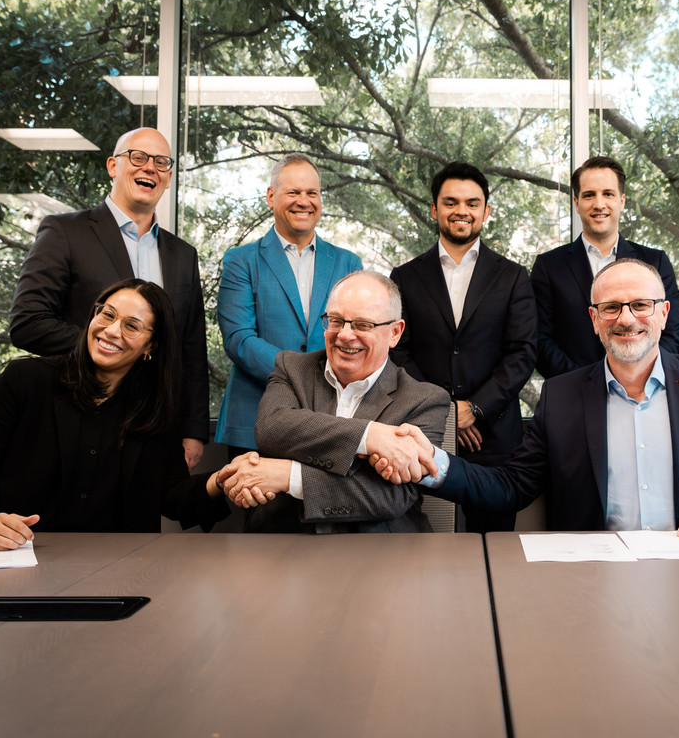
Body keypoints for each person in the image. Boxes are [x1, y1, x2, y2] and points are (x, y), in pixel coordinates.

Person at [377, 259, 679, 537]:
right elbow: (511, 486)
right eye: (611, 307)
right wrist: (434, 463)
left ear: (663, 313)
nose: (626, 319)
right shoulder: (561, 396)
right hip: (593, 575)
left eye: (641, 305)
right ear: (594, 319)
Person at [0, 280, 229, 548]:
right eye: (107, 314)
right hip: (20, 556)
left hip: (119, 567)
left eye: (131, 326)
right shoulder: (25, 380)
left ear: (151, 346)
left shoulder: (155, 407)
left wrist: (222, 480)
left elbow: (172, 497)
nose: (111, 330)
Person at [9, 127, 209, 470]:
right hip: (78, 416)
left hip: (156, 426)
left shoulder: (183, 254)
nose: (150, 167)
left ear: (168, 178)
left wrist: (193, 430)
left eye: (161, 162)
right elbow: (28, 323)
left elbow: (190, 348)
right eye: (138, 157)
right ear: (113, 166)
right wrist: (112, 347)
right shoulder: (64, 232)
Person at [217, 271, 450, 533]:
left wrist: (287, 476)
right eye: (336, 321)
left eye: (363, 325)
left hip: (380, 548)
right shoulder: (291, 367)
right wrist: (370, 436)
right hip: (283, 538)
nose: (345, 335)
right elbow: (272, 428)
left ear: (395, 333)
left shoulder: (425, 400)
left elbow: (390, 496)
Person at [389, 161, 536, 532]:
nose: (462, 210)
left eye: (472, 203)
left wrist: (475, 409)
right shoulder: (405, 276)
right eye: (451, 202)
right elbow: (398, 351)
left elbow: (522, 352)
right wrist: (448, 412)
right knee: (427, 544)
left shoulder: (513, 276)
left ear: (486, 211)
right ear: (435, 209)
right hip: (424, 432)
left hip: (494, 436)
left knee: (493, 547)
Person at [216, 153, 363, 454]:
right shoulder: (241, 261)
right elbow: (239, 340)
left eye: (312, 193)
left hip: (329, 420)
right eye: (293, 192)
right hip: (255, 418)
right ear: (271, 197)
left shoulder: (348, 263)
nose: (303, 201)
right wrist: (305, 375)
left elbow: (357, 335)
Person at [531, 156, 679, 378]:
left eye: (608, 194)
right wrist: (586, 384)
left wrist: (632, 380)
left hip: (643, 391)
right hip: (574, 391)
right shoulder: (549, 267)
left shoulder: (655, 262)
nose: (599, 204)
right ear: (576, 203)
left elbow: (672, 336)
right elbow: (541, 341)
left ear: (622, 201)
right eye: (589, 195)